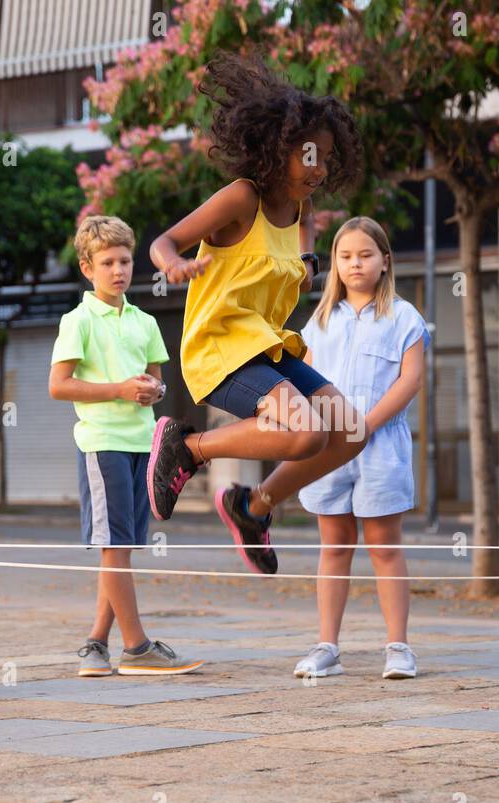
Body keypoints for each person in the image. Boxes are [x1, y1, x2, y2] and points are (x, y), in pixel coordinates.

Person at [145, 51, 365, 575]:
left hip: (266, 345)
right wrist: (173, 263)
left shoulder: (299, 207)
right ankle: (189, 446)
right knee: (307, 432)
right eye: (310, 153)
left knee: (349, 430)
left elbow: (305, 234)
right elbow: (165, 239)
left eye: (327, 157)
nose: (320, 167)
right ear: (277, 148)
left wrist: (309, 261)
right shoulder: (242, 198)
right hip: (221, 350)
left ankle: (252, 507)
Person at [50, 215, 204, 676]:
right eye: (107, 262)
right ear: (86, 268)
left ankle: (96, 644)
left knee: (121, 546)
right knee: (114, 546)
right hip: (102, 443)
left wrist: (151, 392)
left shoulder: (145, 321)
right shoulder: (76, 321)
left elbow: (158, 381)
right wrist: (118, 389)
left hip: (144, 443)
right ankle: (137, 649)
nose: (118, 270)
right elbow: (59, 386)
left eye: (124, 261)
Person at [291, 218, 430, 680]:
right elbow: (303, 378)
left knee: (385, 547)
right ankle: (327, 646)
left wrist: (363, 426)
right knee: (333, 547)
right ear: (333, 264)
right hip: (328, 451)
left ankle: (399, 648)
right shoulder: (320, 320)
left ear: (385, 261)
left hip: (380, 448)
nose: (355, 263)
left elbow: (409, 380)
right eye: (345, 256)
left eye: (366, 254)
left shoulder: (404, 318)